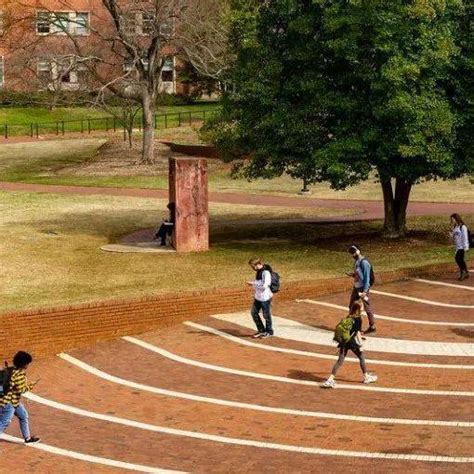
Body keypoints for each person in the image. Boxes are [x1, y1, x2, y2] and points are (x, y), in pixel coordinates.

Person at [322, 300, 377, 388]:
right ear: (358, 309)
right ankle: (366, 377)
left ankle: (330, 379)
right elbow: (357, 333)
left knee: (340, 361)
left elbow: (350, 330)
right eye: (362, 307)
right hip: (352, 342)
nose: (363, 308)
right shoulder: (358, 319)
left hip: (344, 341)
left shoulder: (349, 316)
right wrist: (361, 345)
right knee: (361, 357)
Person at [0, 351, 40, 443]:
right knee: (4, 423)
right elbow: (21, 390)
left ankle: (27, 438)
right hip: (9, 403)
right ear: (24, 364)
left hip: (11, 401)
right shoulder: (20, 375)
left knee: (23, 416)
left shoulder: (10, 369)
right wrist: (32, 385)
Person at [347, 244, 376, 334]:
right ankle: (353, 326)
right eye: (352, 253)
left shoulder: (364, 263)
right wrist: (353, 275)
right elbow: (359, 274)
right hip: (356, 287)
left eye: (354, 252)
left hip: (362, 288)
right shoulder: (357, 262)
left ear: (358, 251)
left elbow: (367, 278)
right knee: (352, 306)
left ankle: (372, 326)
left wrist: (365, 291)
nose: (353, 254)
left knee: (366, 307)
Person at [247, 257, 274, 339]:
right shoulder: (259, 272)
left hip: (265, 297)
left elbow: (264, 286)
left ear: (258, 264)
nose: (252, 268)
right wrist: (253, 283)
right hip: (258, 297)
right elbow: (259, 282)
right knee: (254, 313)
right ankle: (261, 330)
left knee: (266, 315)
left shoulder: (266, 273)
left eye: (253, 266)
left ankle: (269, 332)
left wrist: (253, 284)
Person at [450, 213, 470, 281]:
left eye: (453, 219)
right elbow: (454, 236)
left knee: (458, 259)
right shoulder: (455, 227)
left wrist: (466, 246)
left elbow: (465, 237)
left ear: (456, 219)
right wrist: (451, 234)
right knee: (460, 259)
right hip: (457, 247)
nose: (452, 221)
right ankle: (466, 272)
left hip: (462, 247)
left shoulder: (462, 227)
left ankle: (463, 272)